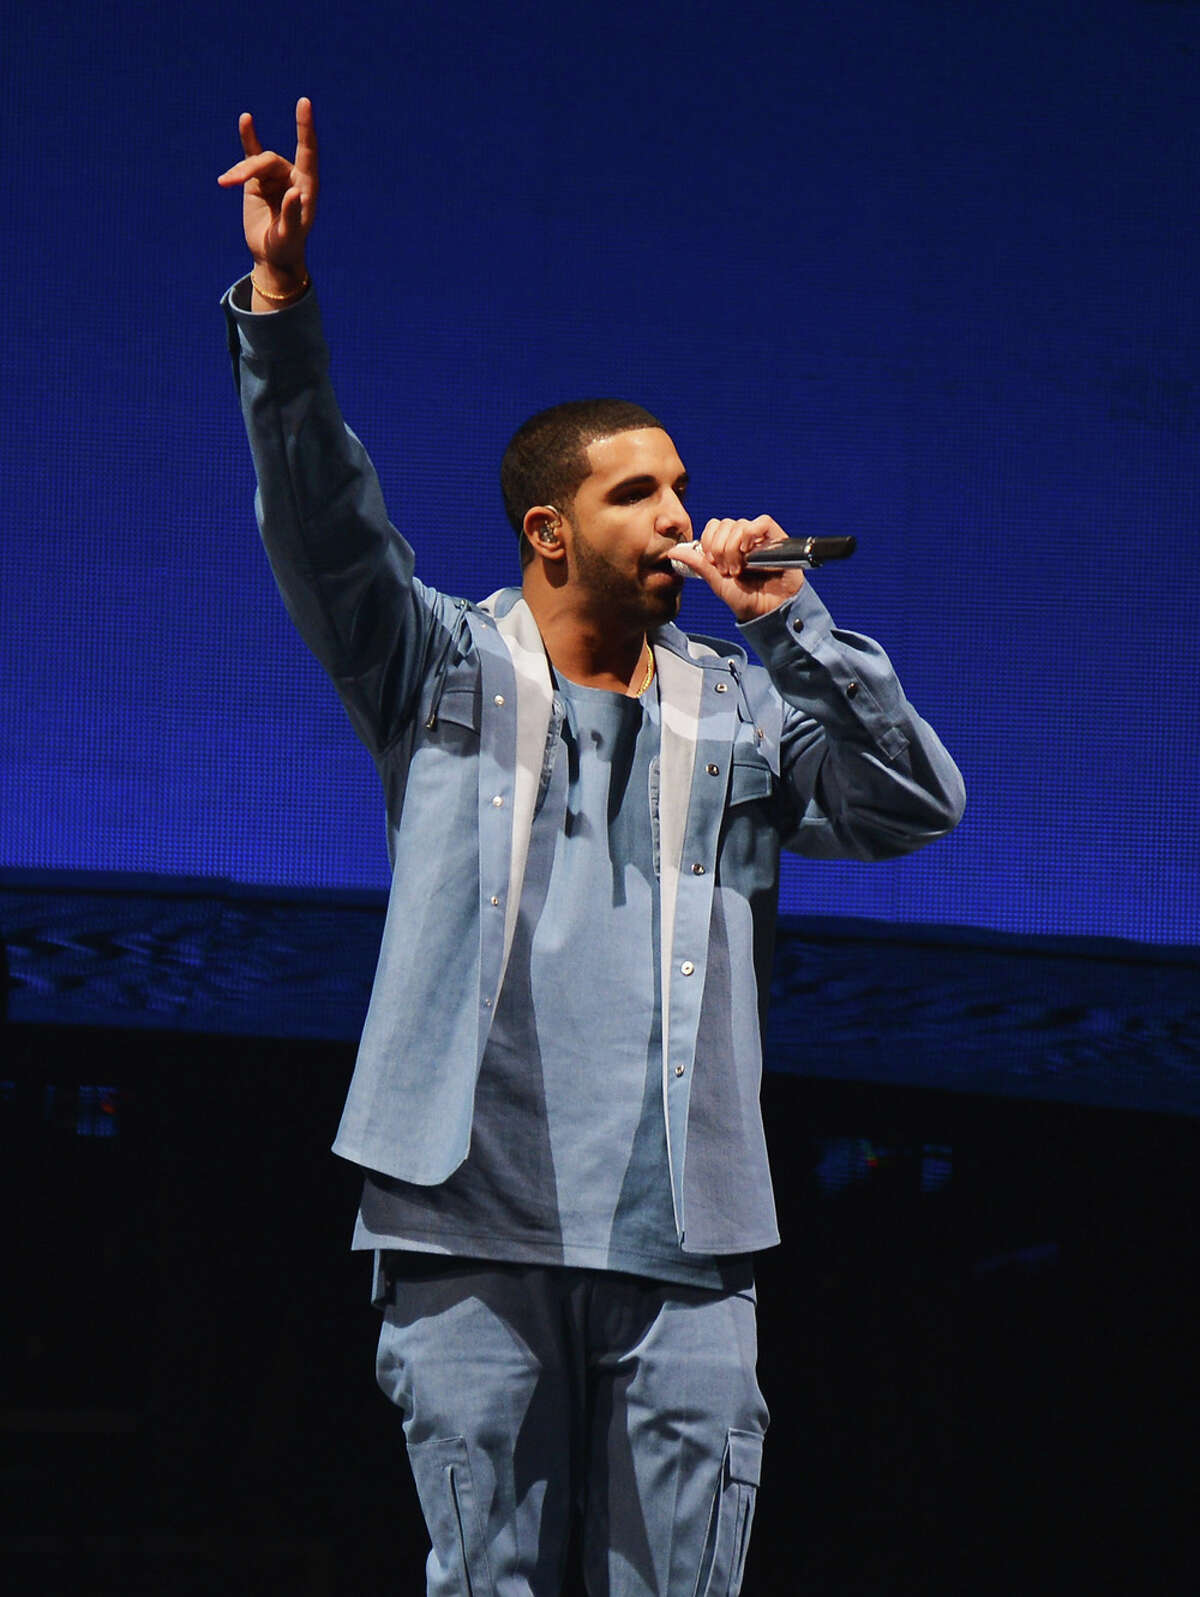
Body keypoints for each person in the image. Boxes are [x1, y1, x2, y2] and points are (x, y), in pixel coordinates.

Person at [219, 98, 964, 1597]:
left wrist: (795, 626)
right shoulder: (437, 671)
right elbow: (327, 530)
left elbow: (910, 799)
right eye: (643, 493)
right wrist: (284, 315)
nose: (684, 514)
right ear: (549, 532)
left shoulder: (742, 710)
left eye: (683, 486)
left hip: (681, 1238)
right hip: (466, 1217)